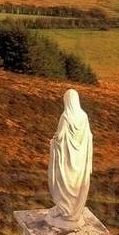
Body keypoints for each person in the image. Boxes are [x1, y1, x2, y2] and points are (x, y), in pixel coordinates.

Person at [46, 88, 92, 226]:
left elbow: (59, 137)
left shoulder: (66, 117)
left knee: (63, 184)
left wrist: (52, 142)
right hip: (79, 160)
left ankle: (64, 209)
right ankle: (74, 212)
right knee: (77, 185)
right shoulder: (83, 116)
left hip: (66, 161)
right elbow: (88, 136)